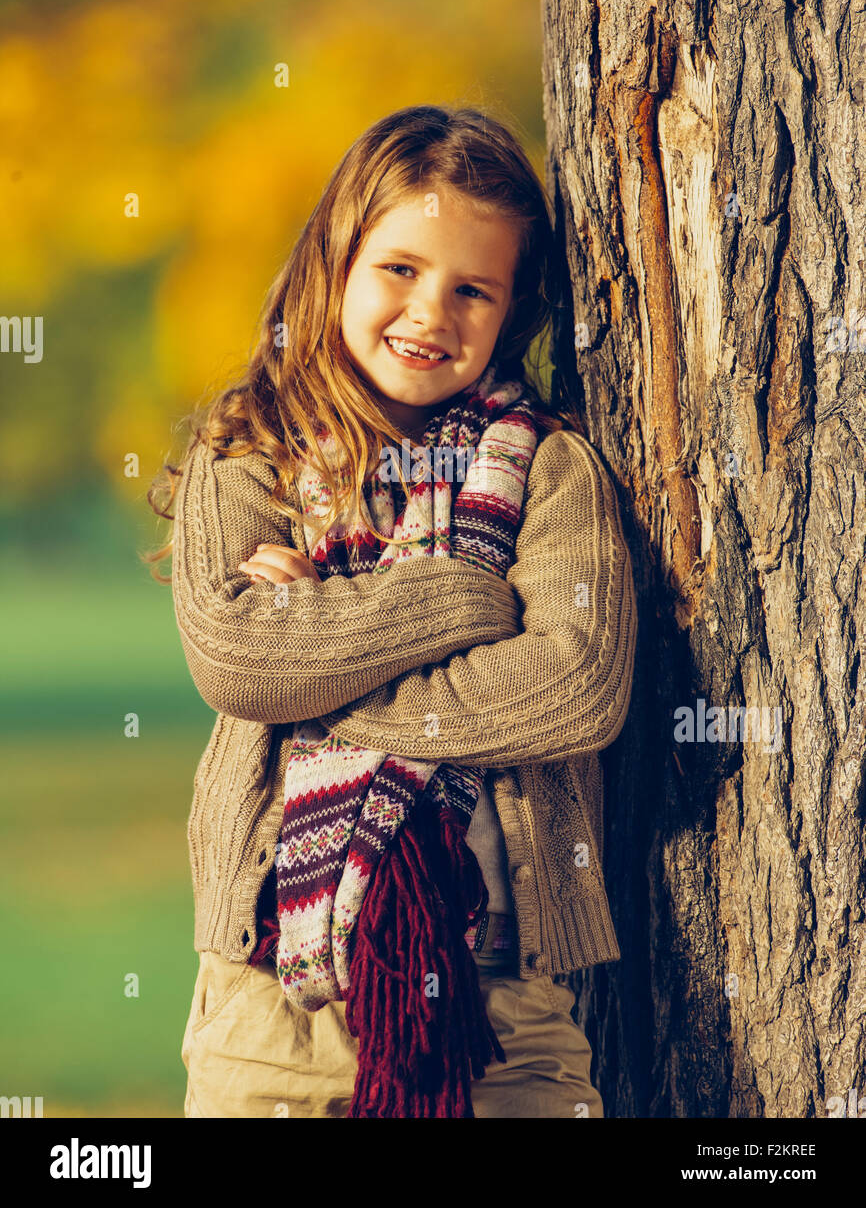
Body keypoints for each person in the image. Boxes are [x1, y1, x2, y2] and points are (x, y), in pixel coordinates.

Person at [147, 103, 638, 1118]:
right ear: (335, 263)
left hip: (502, 1010)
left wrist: (323, 649)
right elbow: (243, 661)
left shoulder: (547, 468)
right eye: (400, 269)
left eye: (472, 289)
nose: (430, 313)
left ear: (511, 311)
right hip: (272, 1004)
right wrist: (460, 599)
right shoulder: (247, 457)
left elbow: (574, 686)